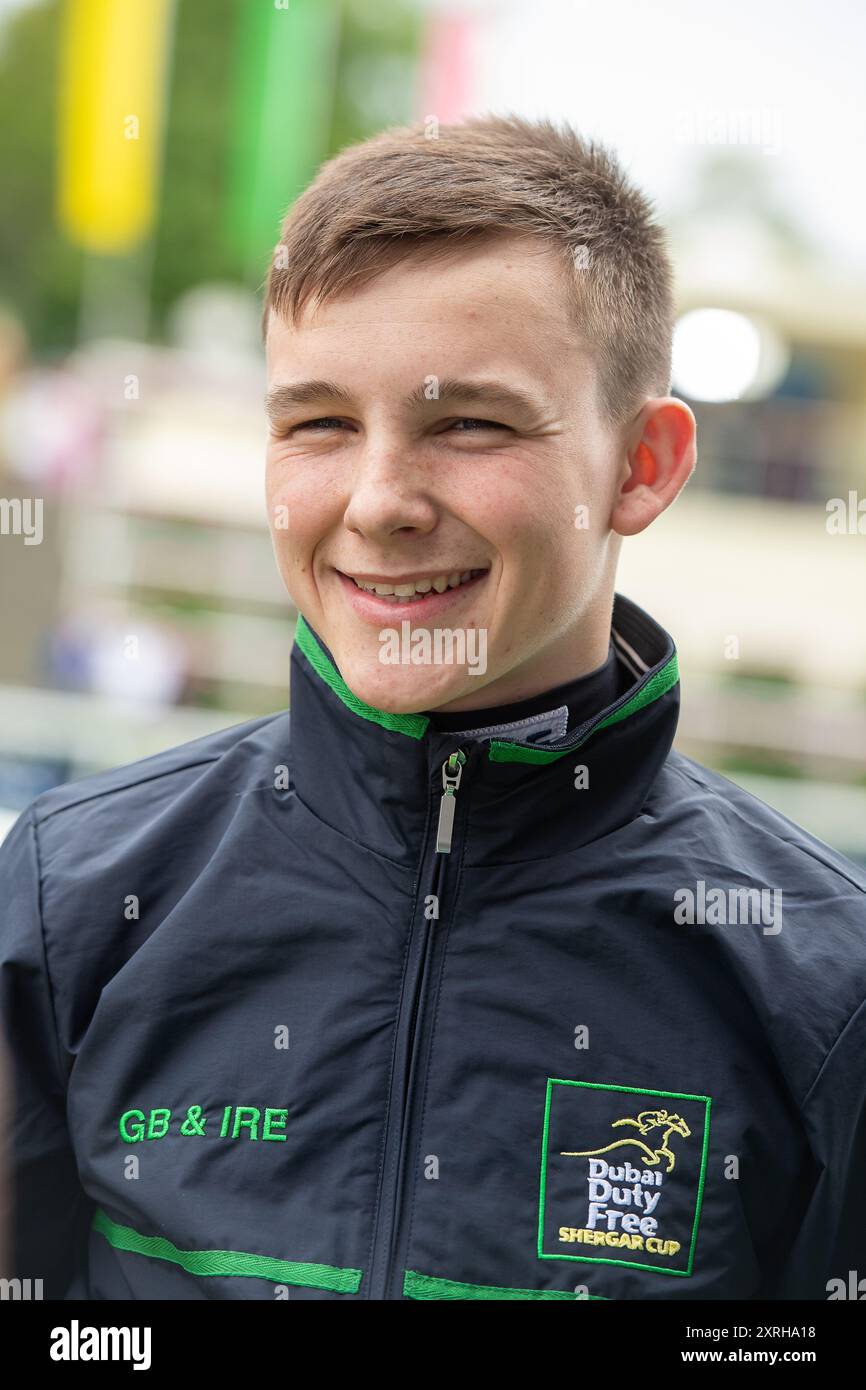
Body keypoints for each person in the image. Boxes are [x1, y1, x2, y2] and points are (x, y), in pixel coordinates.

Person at [1, 115, 863, 1302]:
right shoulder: (68, 898)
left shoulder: (820, 980)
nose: (378, 500)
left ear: (641, 465)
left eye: (467, 423)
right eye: (318, 422)